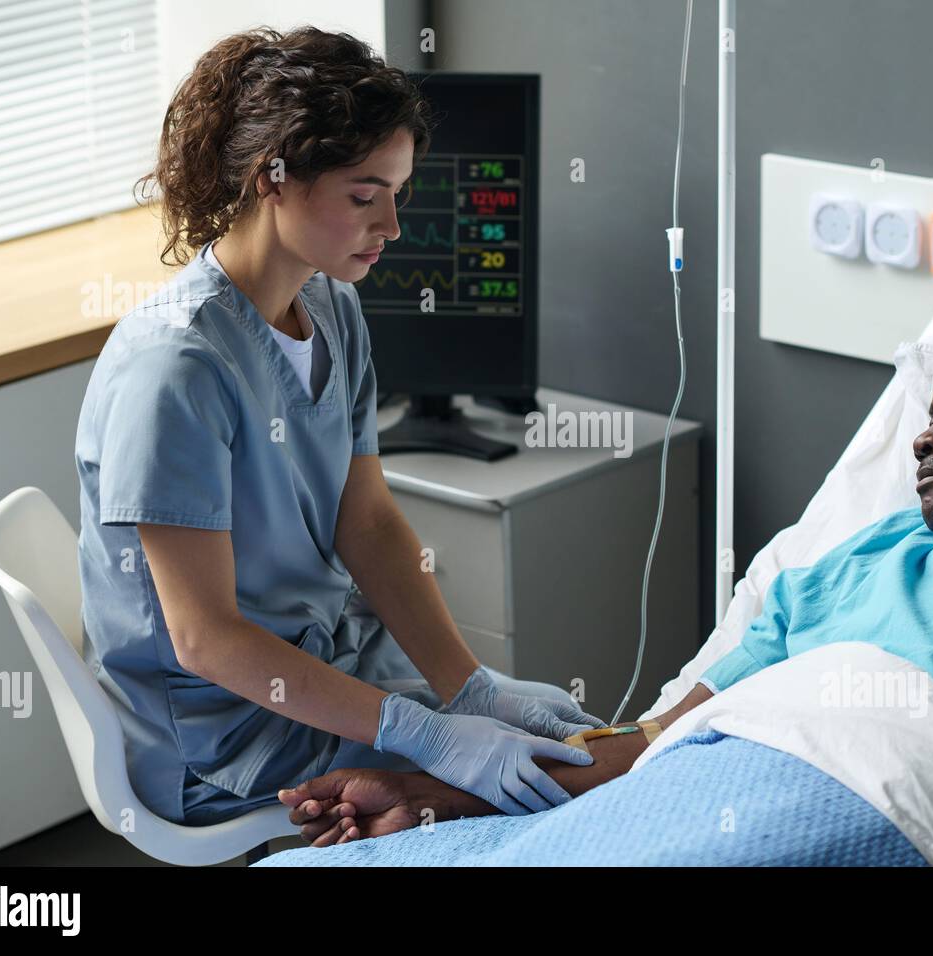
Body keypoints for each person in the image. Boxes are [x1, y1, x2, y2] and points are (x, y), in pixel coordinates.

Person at [281, 325, 933, 867]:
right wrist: (429, 796)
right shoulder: (864, 558)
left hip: (887, 814)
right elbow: (655, 747)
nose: (922, 438)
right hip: (690, 796)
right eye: (928, 411)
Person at [75, 26, 601, 828]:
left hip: (328, 659)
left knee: (572, 744)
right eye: (364, 196)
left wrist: (469, 689)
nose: (392, 226)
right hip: (223, 729)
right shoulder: (174, 368)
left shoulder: (333, 308)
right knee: (518, 797)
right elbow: (207, 640)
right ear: (271, 181)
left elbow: (370, 521)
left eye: (398, 193)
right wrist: (431, 739)